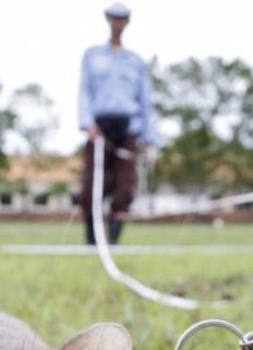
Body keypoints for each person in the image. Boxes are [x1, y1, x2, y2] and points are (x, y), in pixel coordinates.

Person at [78, 2, 156, 246]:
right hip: (99, 130)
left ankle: (113, 241)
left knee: (124, 189)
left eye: (122, 19)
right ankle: (92, 240)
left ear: (127, 23)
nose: (117, 23)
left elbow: (145, 101)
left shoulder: (136, 62)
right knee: (92, 186)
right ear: (107, 20)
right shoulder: (92, 56)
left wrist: (150, 140)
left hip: (128, 130)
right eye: (113, 18)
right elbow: (84, 92)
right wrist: (87, 123)